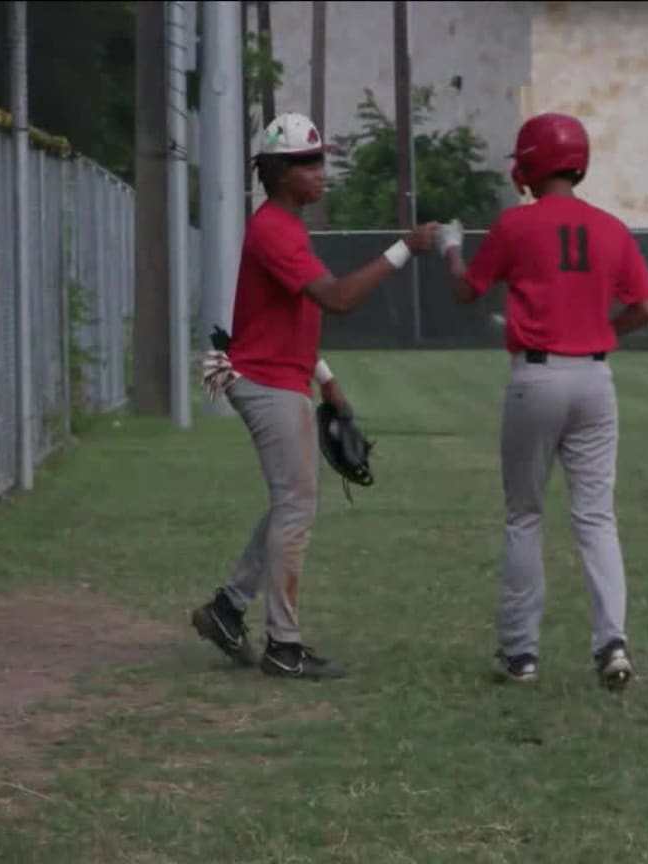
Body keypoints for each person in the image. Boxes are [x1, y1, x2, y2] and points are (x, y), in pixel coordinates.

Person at [192, 111, 439, 680]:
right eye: (308, 161)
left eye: (321, 158)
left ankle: (229, 608)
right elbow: (337, 298)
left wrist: (326, 379)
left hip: (277, 375)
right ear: (280, 172)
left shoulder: (286, 226)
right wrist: (403, 248)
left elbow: (292, 314)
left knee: (290, 504)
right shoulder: (275, 229)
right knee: (298, 507)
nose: (320, 170)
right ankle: (283, 646)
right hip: (264, 381)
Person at [439, 112, 648, 691]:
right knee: (596, 517)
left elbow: (467, 292)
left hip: (537, 377)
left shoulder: (517, 224)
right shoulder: (611, 227)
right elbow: (646, 308)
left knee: (524, 515)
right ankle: (612, 642)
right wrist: (604, 329)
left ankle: (522, 654)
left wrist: (451, 250)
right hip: (595, 378)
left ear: (531, 163)